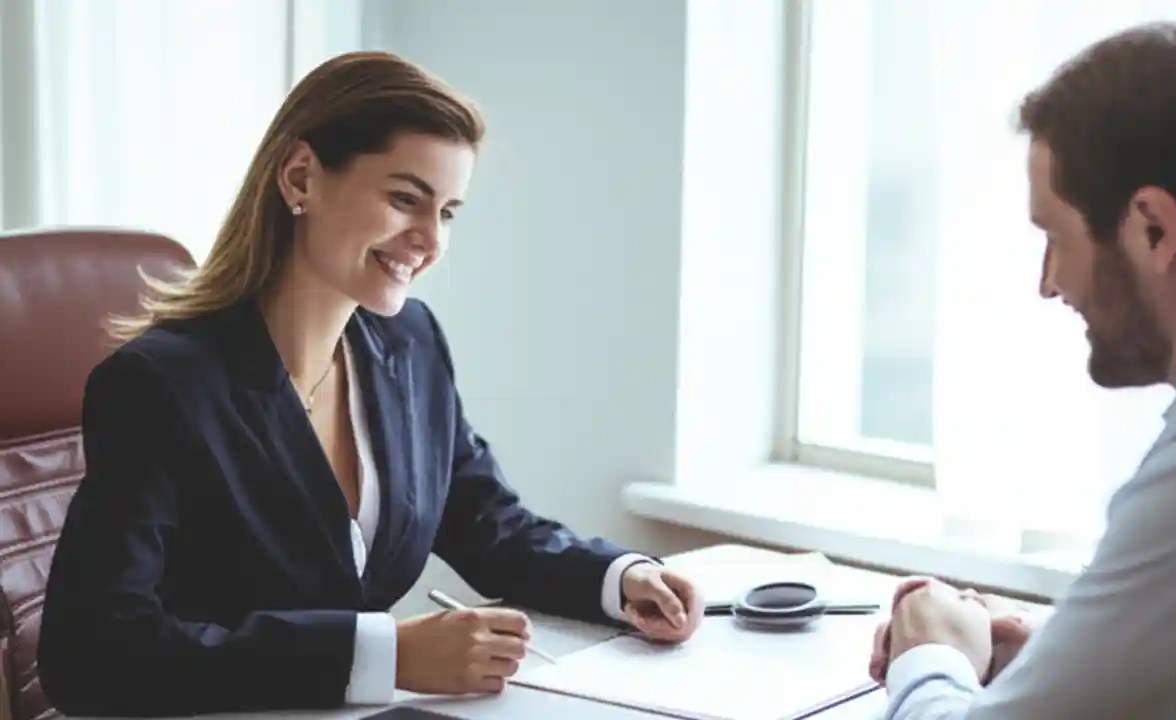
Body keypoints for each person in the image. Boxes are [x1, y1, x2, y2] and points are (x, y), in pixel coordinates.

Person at [37, 50, 704, 717]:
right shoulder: (163, 385)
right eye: (404, 199)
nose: (428, 240)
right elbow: (92, 654)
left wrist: (622, 578)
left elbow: (486, 522)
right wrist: (385, 655)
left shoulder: (408, 342)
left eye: (447, 212)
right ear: (301, 177)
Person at [869, 22, 1176, 718]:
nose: (1049, 283)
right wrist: (1067, 660)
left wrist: (928, 653)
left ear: (1154, 228)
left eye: (1056, 238)